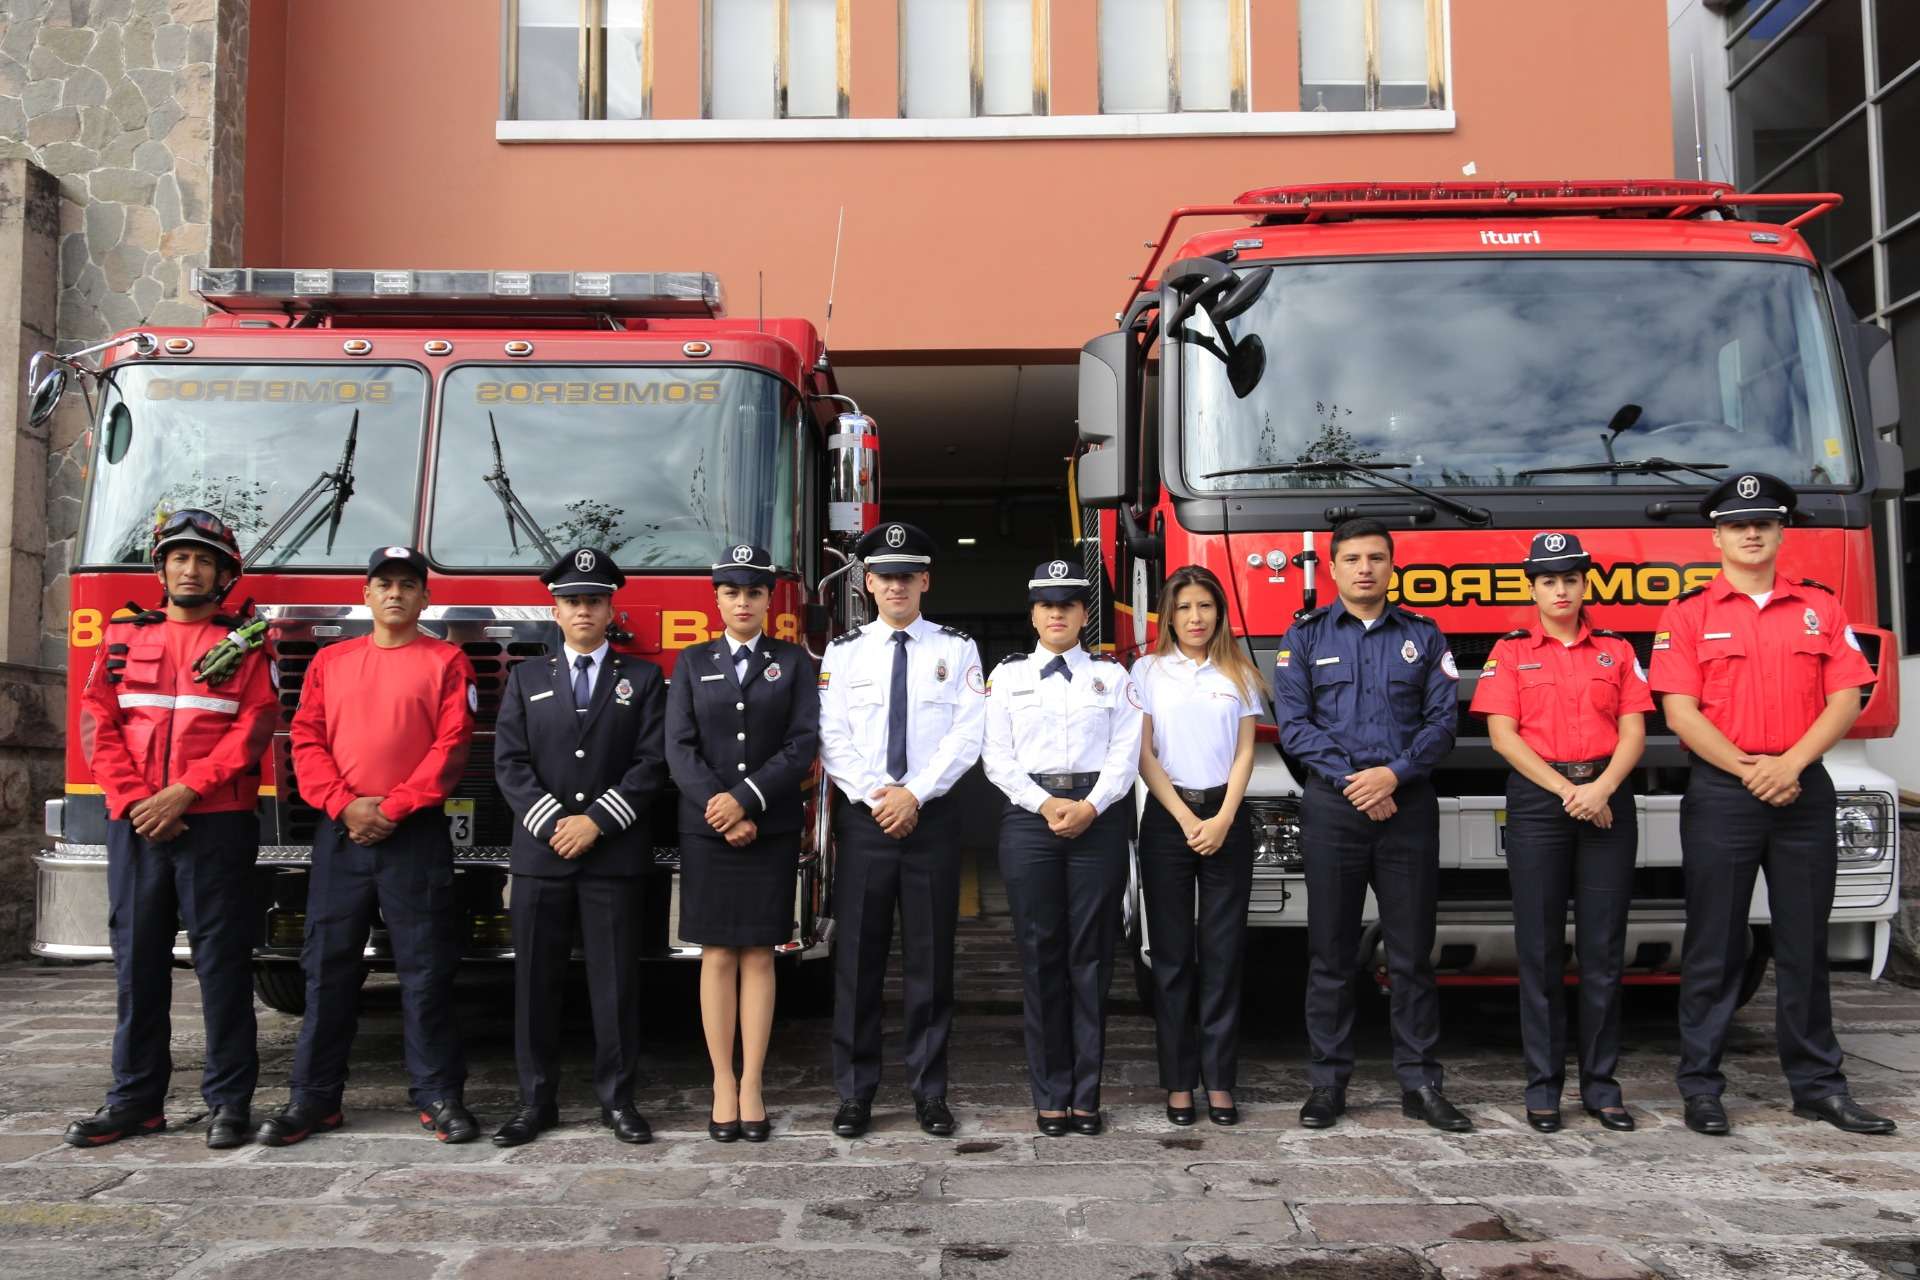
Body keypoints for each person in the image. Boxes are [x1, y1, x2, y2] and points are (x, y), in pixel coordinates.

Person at [1650, 473, 1895, 1137]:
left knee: (1803, 943)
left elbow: (1847, 694)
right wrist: (1748, 769)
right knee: (1715, 945)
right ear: (1717, 536)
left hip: (1801, 789)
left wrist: (1789, 765)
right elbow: (1679, 709)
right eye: (1737, 524)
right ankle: (1701, 1087)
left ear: (1782, 530)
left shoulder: (1822, 610)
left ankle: (1818, 1085)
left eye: (1764, 522)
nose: (1751, 533)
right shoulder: (1689, 614)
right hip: (1724, 793)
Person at [65, 510, 277, 1150]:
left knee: (223, 966)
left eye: (204, 561)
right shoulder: (123, 637)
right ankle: (134, 1101)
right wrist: (136, 801)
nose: (191, 569)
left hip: (214, 824)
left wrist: (184, 792)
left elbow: (253, 729)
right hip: (137, 825)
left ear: (223, 575)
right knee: (138, 966)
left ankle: (229, 1102)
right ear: (162, 569)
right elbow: (98, 722)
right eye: (180, 558)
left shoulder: (244, 644)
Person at [258, 547, 478, 1147]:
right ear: (366, 594)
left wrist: (393, 807)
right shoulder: (331, 662)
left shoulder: (447, 661)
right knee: (326, 968)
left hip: (415, 835)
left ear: (425, 599)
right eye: (384, 584)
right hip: (342, 833)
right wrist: (341, 804)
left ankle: (438, 1095)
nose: (396, 594)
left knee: (426, 969)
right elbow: (305, 738)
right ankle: (314, 1099)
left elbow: (452, 746)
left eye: (409, 585)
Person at [1272, 517, 1466, 1132]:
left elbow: (1443, 721)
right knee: (1330, 952)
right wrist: (1360, 781)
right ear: (1331, 568)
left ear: (1392, 566)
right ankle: (1328, 1083)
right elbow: (1295, 724)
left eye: (1376, 558)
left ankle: (1420, 1082)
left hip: (1407, 809)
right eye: (1352, 558)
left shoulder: (1425, 636)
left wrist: (1395, 775)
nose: (1364, 568)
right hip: (1334, 808)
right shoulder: (1302, 637)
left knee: (1411, 953)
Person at [1469, 533, 1650, 1133]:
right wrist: (1571, 793)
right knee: (1540, 951)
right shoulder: (1513, 652)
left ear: (1584, 584)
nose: (1561, 589)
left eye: (1570, 578)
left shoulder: (1617, 652)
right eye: (1549, 580)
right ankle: (1543, 1084)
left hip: (1607, 796)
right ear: (1534, 588)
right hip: (1542, 801)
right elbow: (1503, 736)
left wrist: (1599, 790)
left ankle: (1602, 1085)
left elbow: (1633, 733)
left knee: (1602, 951)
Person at [491, 547, 666, 1148]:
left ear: (610, 607)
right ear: (556, 610)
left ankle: (619, 1101)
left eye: (594, 600)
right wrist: (553, 825)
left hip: (612, 855)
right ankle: (534, 1102)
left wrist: (596, 822)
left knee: (616, 985)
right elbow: (509, 764)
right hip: (541, 857)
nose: (584, 610)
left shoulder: (641, 680)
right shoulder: (525, 678)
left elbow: (651, 762)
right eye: (572, 601)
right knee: (535, 984)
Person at [817, 520, 986, 1138]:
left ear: (925, 581)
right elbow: (832, 736)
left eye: (906, 576)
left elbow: (969, 733)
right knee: (857, 964)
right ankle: (856, 1092)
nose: (895, 585)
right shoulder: (843, 652)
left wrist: (913, 794)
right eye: (884, 576)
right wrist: (878, 796)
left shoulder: (957, 649)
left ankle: (929, 1091)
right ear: (866, 582)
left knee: (931, 962)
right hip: (866, 823)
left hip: (931, 820)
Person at [981, 559, 1141, 1137]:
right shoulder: (1007, 678)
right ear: (1033, 614)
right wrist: (1048, 806)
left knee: (1092, 957)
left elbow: (1126, 753)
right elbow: (995, 757)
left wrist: (1092, 806)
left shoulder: (1114, 678)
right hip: (1031, 820)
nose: (1057, 613)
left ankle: (1086, 1094)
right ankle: (1049, 1092)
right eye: (1047, 604)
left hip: (1097, 817)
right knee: (1040, 954)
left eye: (1068, 604)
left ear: (1082, 614)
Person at [666, 543, 819, 1143]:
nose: (743, 601)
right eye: (732, 592)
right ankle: (720, 1082)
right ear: (717, 600)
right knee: (717, 955)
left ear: (767, 599)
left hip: (769, 827)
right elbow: (678, 747)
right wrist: (722, 809)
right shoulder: (691, 661)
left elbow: (802, 742)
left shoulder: (793, 661)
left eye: (753, 592)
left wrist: (747, 800)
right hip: (708, 829)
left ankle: (752, 1081)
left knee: (759, 953)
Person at [1131, 565, 1262, 1129]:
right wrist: (1186, 817)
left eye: (1204, 607)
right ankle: (1180, 1081)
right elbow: (1144, 755)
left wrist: (1224, 817)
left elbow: (1244, 754)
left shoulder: (1241, 672)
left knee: (1224, 954)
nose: (1194, 618)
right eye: (1183, 607)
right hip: (1168, 818)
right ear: (1169, 614)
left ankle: (1222, 1081)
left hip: (1227, 818)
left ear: (1219, 612)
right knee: (1173, 956)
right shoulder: (1147, 671)